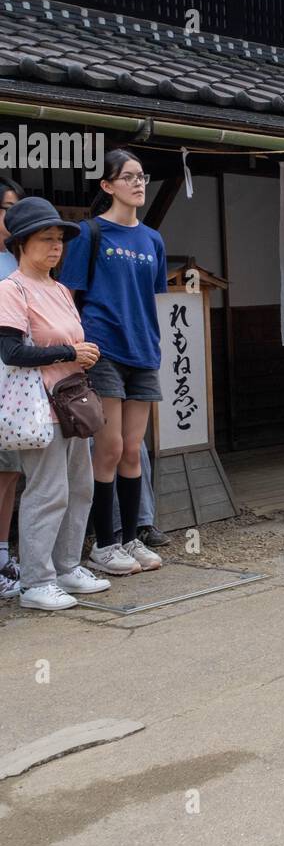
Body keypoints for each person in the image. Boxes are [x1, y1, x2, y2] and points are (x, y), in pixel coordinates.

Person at [59, 149, 167, 575]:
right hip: (103, 350)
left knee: (132, 452)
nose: (139, 183)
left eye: (142, 176)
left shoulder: (153, 239)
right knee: (108, 448)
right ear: (107, 186)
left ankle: (131, 539)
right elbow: (69, 296)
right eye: (128, 177)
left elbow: (150, 296)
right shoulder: (90, 233)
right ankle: (103, 544)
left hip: (145, 351)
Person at [0, 198, 110, 611]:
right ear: (22, 244)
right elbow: (11, 352)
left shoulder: (60, 289)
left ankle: (65, 567)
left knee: (78, 488)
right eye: (46, 239)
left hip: (71, 402)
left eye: (59, 239)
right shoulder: (11, 290)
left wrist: (81, 355)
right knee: (47, 492)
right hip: (39, 405)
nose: (55, 247)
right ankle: (36, 581)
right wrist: (69, 352)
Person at [0, 176, 24, 601]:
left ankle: (2, 553)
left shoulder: (17, 261)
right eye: (6, 207)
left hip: (14, 385)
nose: (13, 216)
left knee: (8, 472)